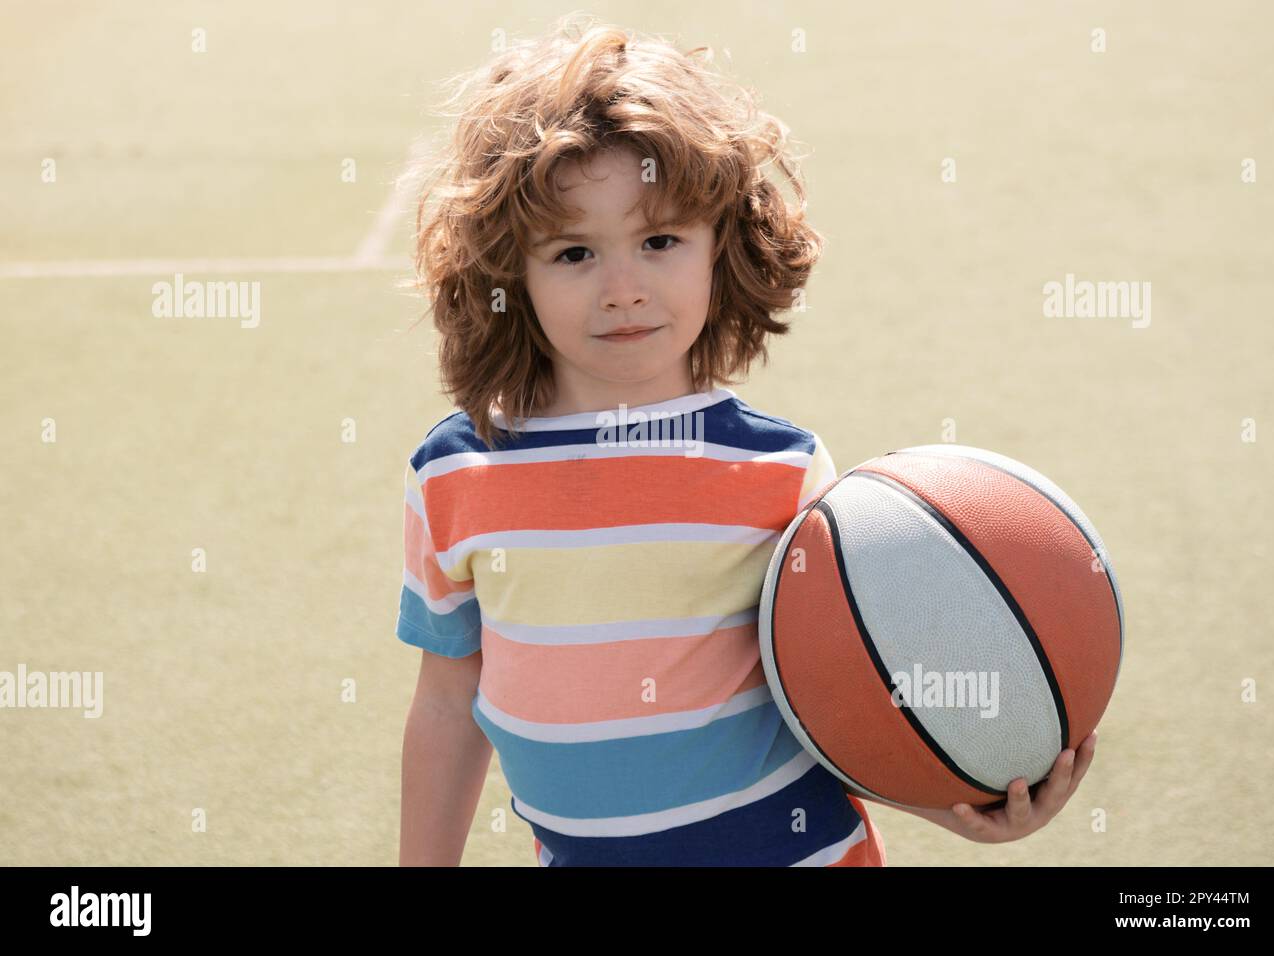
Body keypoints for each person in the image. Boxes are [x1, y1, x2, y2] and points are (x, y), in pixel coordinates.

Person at [396, 14, 1096, 867]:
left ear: (720, 245)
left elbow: (845, 690)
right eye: (574, 253)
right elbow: (447, 697)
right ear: (510, 269)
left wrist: (954, 793)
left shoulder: (781, 473)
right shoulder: (457, 473)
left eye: (660, 241)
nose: (623, 289)